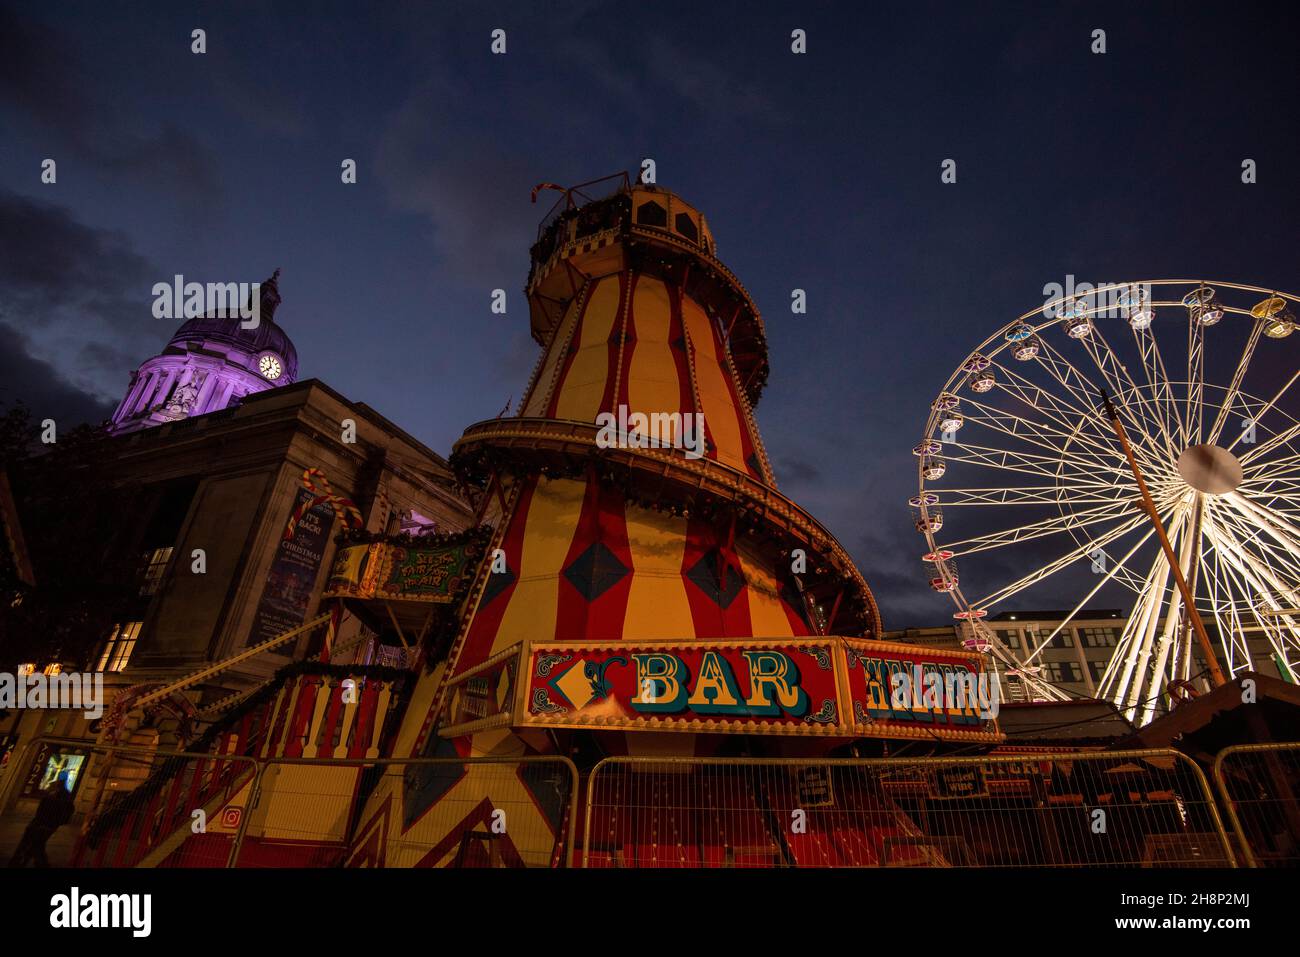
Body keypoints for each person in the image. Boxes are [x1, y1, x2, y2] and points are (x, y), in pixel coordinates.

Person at [7, 772, 75, 867]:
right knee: (36, 844)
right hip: (43, 823)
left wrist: (55, 822)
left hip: (44, 823)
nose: (59, 781)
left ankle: (24, 862)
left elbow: (63, 810)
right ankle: (33, 862)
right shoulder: (59, 792)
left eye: (60, 779)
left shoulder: (60, 793)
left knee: (34, 843)